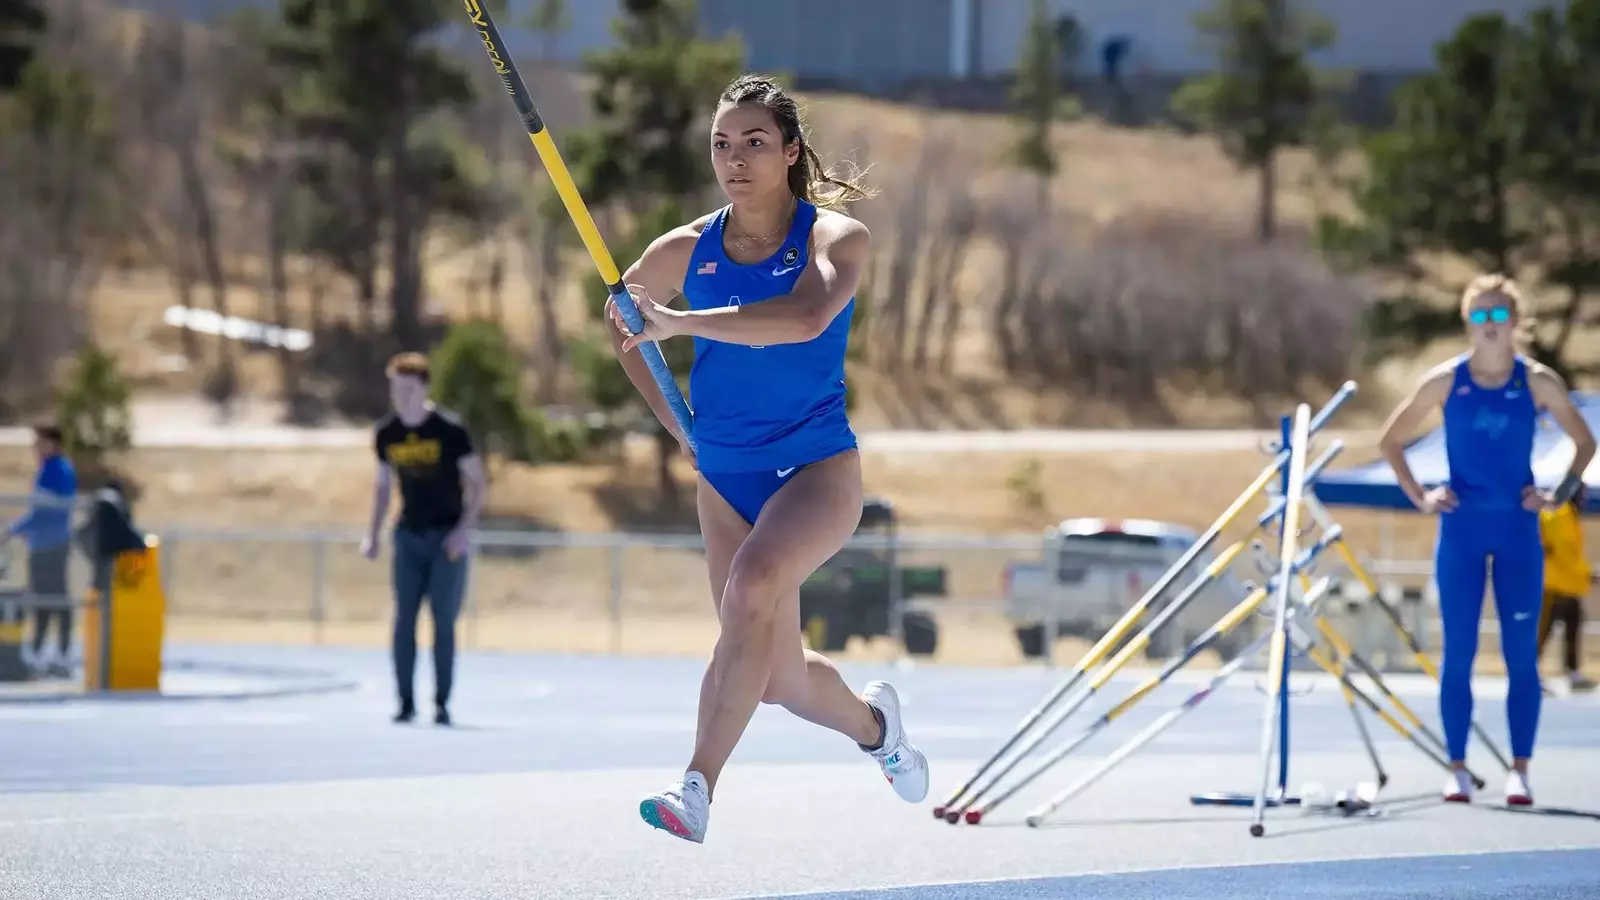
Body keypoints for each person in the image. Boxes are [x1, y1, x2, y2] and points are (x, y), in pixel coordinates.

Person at [605, 73, 927, 844]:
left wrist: (676, 323)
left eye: (754, 143)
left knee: (749, 588)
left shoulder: (834, 238)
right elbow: (623, 327)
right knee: (780, 680)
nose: (735, 159)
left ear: (789, 151)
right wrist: (674, 424)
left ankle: (696, 788)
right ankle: (878, 729)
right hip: (723, 473)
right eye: (722, 144)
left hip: (815, 470)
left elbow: (807, 317)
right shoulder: (682, 248)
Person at [1377, 273, 1596, 807]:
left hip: (1519, 533)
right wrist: (1421, 497)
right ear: (1467, 323)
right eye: (1480, 315)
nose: (1490, 325)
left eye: (1500, 315)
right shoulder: (1446, 381)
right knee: (1459, 653)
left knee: (1523, 657)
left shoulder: (1537, 381)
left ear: (1516, 323)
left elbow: (1584, 442)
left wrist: (1556, 495)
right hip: (1462, 532)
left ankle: (1519, 770)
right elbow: (1391, 440)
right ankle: (1457, 766)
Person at [362, 352, 485, 727]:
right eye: (396, 388)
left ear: (424, 387)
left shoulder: (450, 431)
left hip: (446, 539)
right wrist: (372, 534)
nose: (401, 395)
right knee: (403, 621)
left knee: (443, 621)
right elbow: (383, 487)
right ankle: (404, 701)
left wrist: (463, 531)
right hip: (409, 536)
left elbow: (478, 484)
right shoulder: (387, 433)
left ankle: (442, 702)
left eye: (408, 388)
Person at [1, 423, 78, 678]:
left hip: (51, 545)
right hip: (42, 543)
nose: (35, 449)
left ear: (53, 444)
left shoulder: (56, 471)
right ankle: (39, 651)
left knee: (55, 598)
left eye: (39, 443)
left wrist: (13, 529)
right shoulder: (49, 470)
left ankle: (60, 654)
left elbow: (44, 511)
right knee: (44, 599)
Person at [1537, 487, 1596, 692]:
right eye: (1582, 493)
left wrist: (1584, 574)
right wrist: (1586, 574)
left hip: (1570, 585)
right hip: (1553, 584)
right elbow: (1561, 552)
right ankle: (1530, 674)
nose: (1585, 498)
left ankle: (1573, 672)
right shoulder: (1557, 515)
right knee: (1542, 630)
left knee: (1574, 626)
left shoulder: (1570, 516)